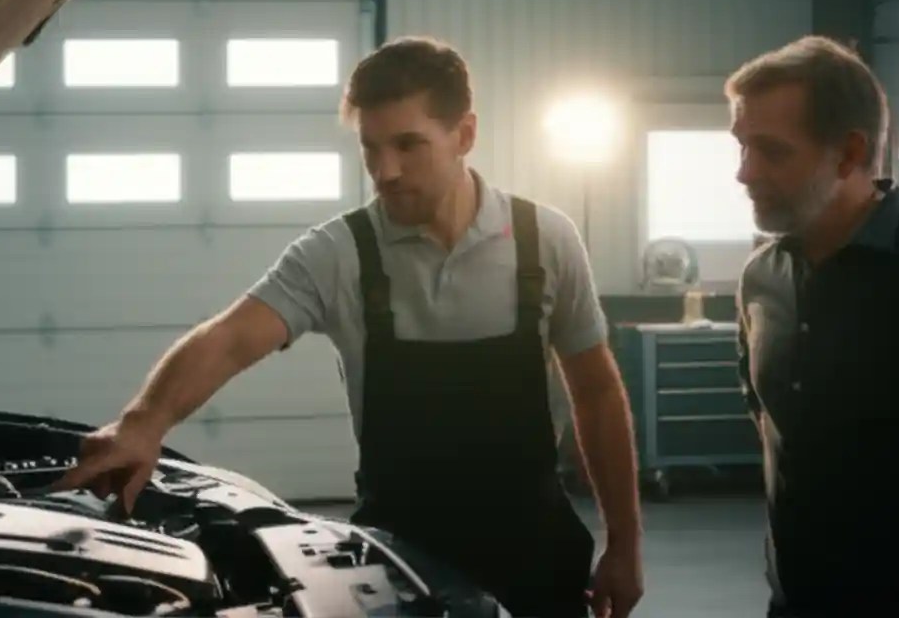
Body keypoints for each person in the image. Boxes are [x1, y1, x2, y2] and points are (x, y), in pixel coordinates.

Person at [55, 36, 644, 617]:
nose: (384, 171)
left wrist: (625, 543)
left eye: (409, 145)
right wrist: (143, 423)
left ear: (464, 134)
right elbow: (231, 338)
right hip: (400, 563)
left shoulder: (546, 242)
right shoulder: (339, 254)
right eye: (371, 148)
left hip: (537, 556)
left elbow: (595, 392)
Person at [728, 35, 899, 616]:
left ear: (848, 154)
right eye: (741, 147)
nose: (744, 173)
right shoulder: (760, 280)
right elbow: (766, 414)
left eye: (771, 151)